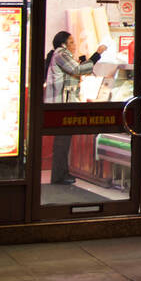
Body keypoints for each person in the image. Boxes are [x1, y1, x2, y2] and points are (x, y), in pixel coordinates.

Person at [44, 31, 107, 186]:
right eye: (71, 42)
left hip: (62, 103)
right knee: (62, 140)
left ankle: (62, 173)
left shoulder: (62, 55)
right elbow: (78, 70)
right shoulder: (61, 54)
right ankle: (59, 176)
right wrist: (97, 54)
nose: (74, 45)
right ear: (63, 44)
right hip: (61, 104)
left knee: (63, 140)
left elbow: (74, 71)